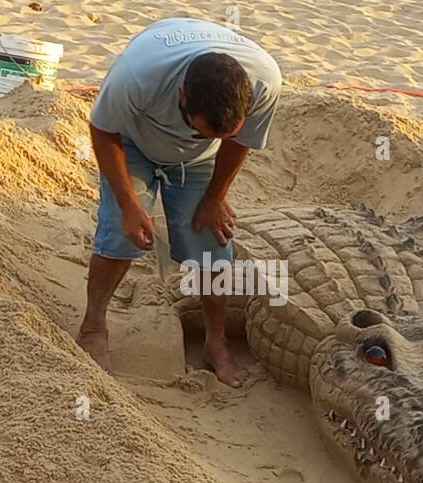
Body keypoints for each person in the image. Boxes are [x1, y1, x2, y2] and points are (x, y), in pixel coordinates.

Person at [76, 17, 282, 387]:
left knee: (212, 243)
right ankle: (93, 326)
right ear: (183, 95)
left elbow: (240, 142)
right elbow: (102, 129)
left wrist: (215, 197)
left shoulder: (265, 81)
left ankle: (215, 343)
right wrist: (128, 203)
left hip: (199, 161)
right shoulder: (138, 76)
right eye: (199, 129)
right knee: (120, 235)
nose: (203, 136)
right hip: (131, 141)